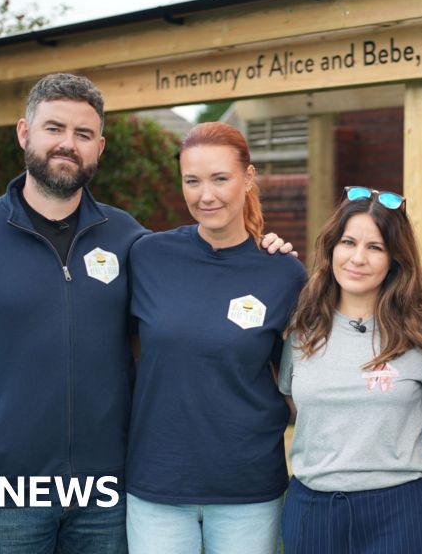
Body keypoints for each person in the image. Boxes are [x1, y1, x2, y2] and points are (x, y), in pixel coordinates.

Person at [0, 74, 290, 553]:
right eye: (54, 128)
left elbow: (197, 293)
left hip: (106, 491)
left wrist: (264, 256)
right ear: (24, 133)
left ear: (98, 147)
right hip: (4, 487)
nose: (68, 143)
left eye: (83, 134)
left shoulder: (128, 239)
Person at [124, 122, 307, 554]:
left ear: (248, 177)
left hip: (248, 487)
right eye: (192, 181)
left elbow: (297, 379)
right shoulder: (147, 256)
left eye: (220, 178)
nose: (205, 195)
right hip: (158, 482)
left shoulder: (283, 272)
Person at [279, 186, 422, 554]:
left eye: (375, 247)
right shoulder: (300, 332)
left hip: (401, 512)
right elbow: (293, 405)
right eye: (348, 242)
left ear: (395, 259)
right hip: (314, 512)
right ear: (332, 248)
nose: (358, 258)